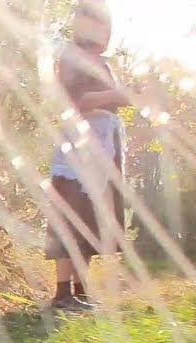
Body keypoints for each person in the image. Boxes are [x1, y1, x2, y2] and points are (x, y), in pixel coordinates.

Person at [45, 0, 130, 311]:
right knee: (70, 216)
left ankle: (80, 291)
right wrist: (117, 95)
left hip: (101, 147)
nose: (104, 31)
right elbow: (74, 100)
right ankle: (62, 294)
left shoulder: (101, 61)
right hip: (78, 149)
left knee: (90, 217)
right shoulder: (71, 57)